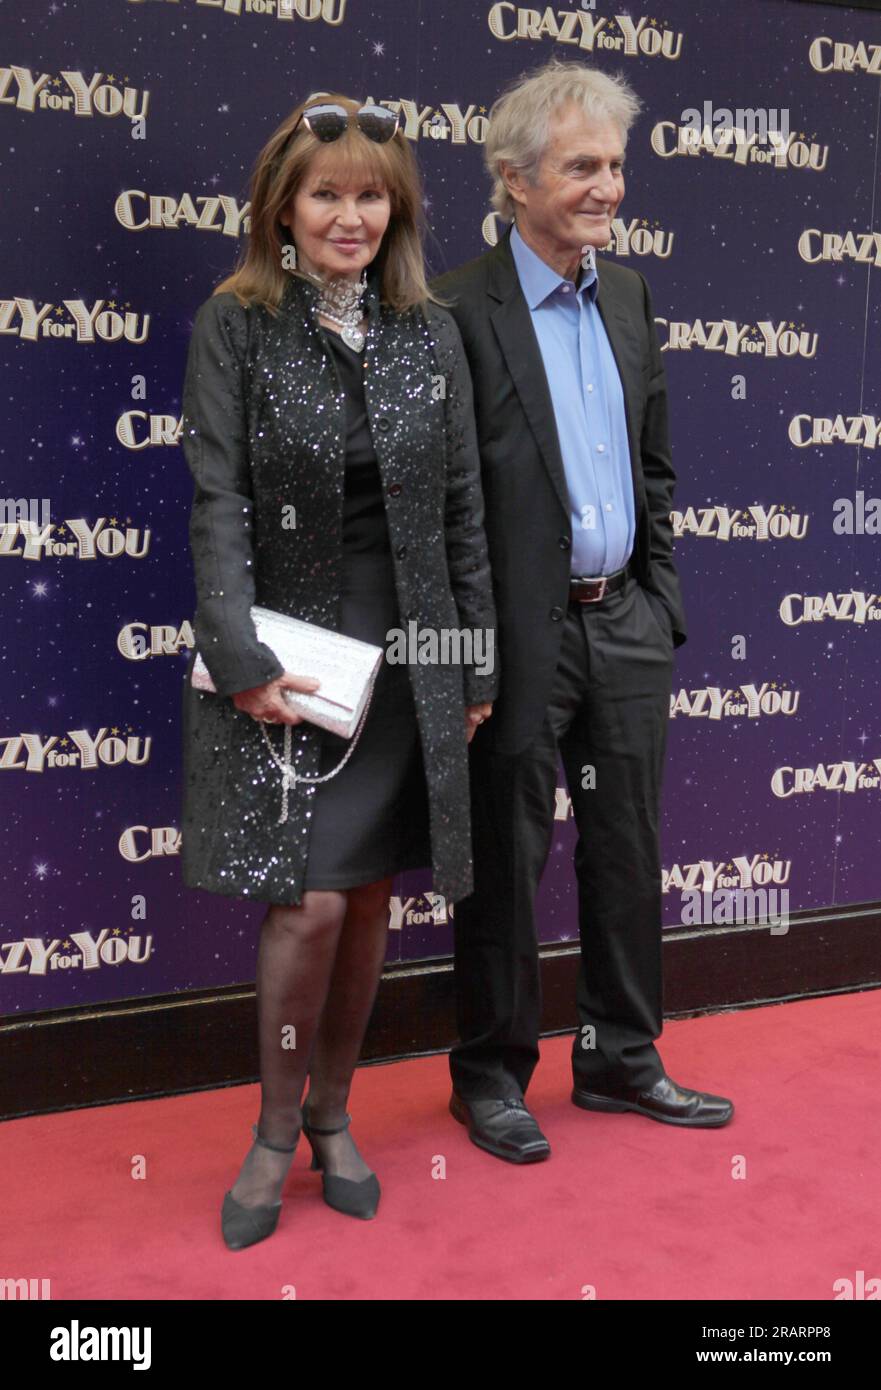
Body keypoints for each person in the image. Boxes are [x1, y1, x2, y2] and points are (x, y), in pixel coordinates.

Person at [179, 92, 497, 1247]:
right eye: (327, 194)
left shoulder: (429, 329)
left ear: (395, 209)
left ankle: (331, 1114)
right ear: (282, 208)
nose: (349, 215)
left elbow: (461, 511)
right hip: (293, 657)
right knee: (304, 904)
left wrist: (469, 666)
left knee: (366, 898)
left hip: (410, 651)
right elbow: (217, 497)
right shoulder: (236, 324)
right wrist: (239, 652)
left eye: (370, 195)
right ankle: (271, 1130)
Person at [430, 58, 733, 1164]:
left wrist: (658, 604)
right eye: (580, 167)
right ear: (514, 181)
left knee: (623, 846)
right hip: (513, 636)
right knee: (505, 860)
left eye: (613, 164)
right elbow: (443, 500)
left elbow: (654, 471)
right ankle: (489, 1076)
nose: (606, 186)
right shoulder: (456, 307)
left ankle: (616, 1058)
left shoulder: (629, 292)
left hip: (624, 626)